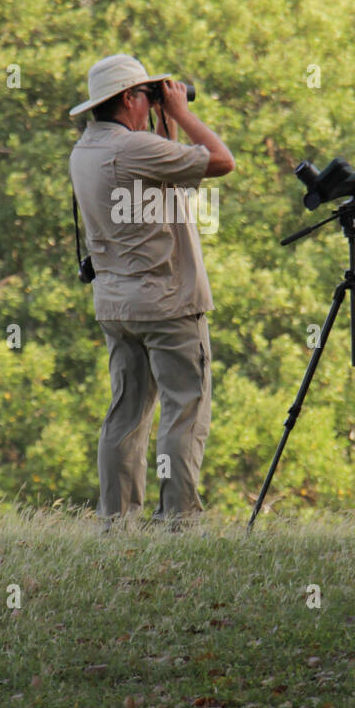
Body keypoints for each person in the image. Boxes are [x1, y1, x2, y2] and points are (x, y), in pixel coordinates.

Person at [68, 55, 235, 530]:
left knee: (126, 412)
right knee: (184, 410)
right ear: (128, 98)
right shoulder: (136, 148)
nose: (152, 103)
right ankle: (179, 522)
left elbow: (167, 182)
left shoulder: (86, 151)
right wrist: (181, 113)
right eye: (148, 95)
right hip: (168, 304)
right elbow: (223, 161)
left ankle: (116, 522)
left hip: (118, 304)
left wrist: (165, 127)